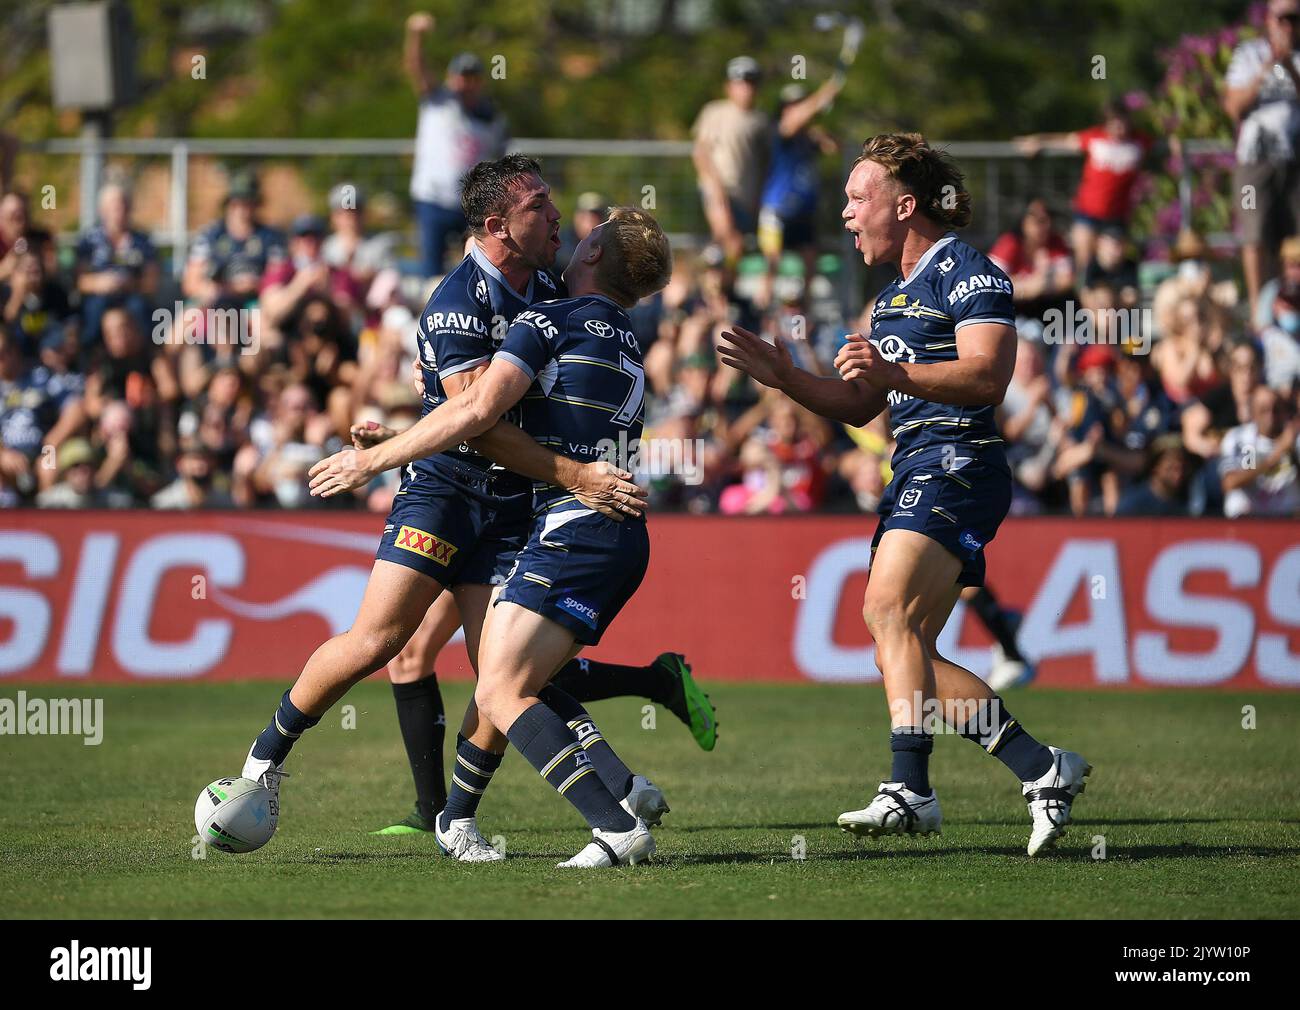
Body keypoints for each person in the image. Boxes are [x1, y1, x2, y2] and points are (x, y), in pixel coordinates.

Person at [232, 159, 699, 862]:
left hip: (516, 502)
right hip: (448, 491)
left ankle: (459, 819)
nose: (556, 216)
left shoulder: (552, 286)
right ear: (496, 225)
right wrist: (571, 472)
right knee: (381, 642)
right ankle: (263, 764)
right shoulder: (457, 301)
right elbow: (475, 421)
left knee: (502, 678)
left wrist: (391, 440)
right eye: (540, 205)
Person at [718, 133, 1090, 856]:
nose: (849, 215)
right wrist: (786, 379)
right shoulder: (890, 298)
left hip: (959, 466)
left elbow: (986, 377)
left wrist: (895, 376)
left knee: (882, 609)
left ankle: (910, 789)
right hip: (913, 468)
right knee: (903, 652)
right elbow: (861, 407)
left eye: (858, 198)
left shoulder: (971, 273)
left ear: (905, 203)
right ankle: (1044, 769)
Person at [405, 12, 508, 278]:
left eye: (471, 77)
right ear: (452, 78)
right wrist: (415, 34)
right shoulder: (438, 101)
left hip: (471, 204)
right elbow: (416, 67)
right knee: (431, 269)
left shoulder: (490, 116)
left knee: (480, 265)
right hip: (433, 199)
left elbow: (499, 159)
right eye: (461, 76)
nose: (465, 82)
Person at [1224, 0, 1300, 319]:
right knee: (1255, 235)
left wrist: (1290, 68)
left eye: (1295, 19)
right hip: (1253, 165)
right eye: (1282, 19)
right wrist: (1267, 68)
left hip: (1295, 164)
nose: (1288, 26)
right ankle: (1258, 312)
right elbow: (1233, 107)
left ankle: (1291, 306)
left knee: (1295, 242)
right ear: (1268, 19)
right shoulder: (1248, 54)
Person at [1014, 100, 1152, 269]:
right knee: (1083, 260)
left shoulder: (1139, 142)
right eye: (1115, 126)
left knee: (1112, 262)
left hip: (1116, 216)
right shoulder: (1094, 138)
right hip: (1087, 212)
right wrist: (1038, 140)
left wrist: (1175, 143)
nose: (1119, 130)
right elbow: (1065, 140)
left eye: (1123, 125)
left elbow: (1162, 141)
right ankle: (1083, 293)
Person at [692, 56, 771, 266]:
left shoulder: (761, 120)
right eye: (740, 83)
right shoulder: (715, 112)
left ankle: (723, 288)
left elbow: (765, 161)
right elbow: (701, 153)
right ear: (729, 86)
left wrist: (759, 196)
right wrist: (715, 188)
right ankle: (713, 288)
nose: (746, 89)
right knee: (728, 239)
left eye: (750, 83)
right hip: (719, 190)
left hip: (746, 195)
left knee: (735, 247)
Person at [74, 182, 160, 345]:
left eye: (123, 206)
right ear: (103, 210)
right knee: (93, 311)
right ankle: (90, 360)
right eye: (114, 207)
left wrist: (130, 284)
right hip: (98, 297)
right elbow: (79, 280)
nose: (119, 212)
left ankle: (146, 361)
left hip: (132, 296)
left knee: (141, 311)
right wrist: (99, 283)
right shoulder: (89, 241)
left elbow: (152, 283)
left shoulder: (143, 242)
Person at [1220, 384, 1300, 517]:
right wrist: (1275, 456)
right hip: (1249, 518)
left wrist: (1292, 453)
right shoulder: (1244, 441)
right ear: (1253, 413)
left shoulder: (1295, 439)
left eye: (1276, 409)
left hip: (1289, 519)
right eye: (1263, 410)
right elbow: (1232, 482)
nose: (1271, 416)